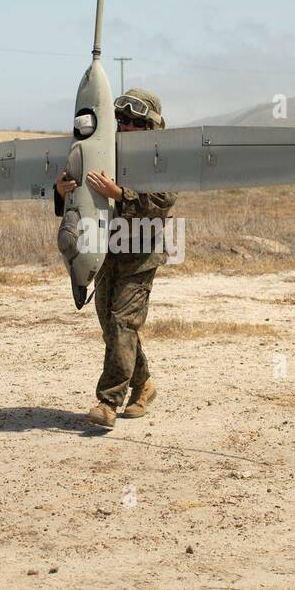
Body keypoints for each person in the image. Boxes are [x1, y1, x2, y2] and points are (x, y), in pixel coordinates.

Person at [55, 88, 177, 429]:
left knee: (123, 323)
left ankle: (108, 402)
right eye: (119, 119)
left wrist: (119, 194)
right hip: (107, 250)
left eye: (133, 122)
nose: (123, 126)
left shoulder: (162, 154)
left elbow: (163, 200)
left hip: (140, 255)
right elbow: (79, 193)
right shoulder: (104, 150)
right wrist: (61, 190)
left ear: (150, 127)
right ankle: (144, 385)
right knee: (114, 328)